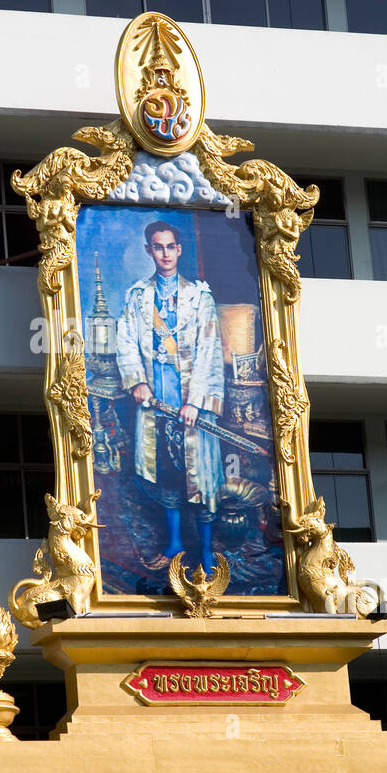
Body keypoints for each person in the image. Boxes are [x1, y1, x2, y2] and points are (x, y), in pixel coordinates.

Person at [115, 220, 225, 574]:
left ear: (179, 249)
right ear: (150, 250)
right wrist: (136, 381)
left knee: (201, 476)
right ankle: (176, 543)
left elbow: (209, 349)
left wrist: (194, 401)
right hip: (156, 399)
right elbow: (126, 342)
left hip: (192, 401)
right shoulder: (137, 297)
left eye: (170, 246)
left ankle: (207, 553)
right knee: (167, 472)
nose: (165, 253)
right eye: (158, 247)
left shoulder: (199, 297)